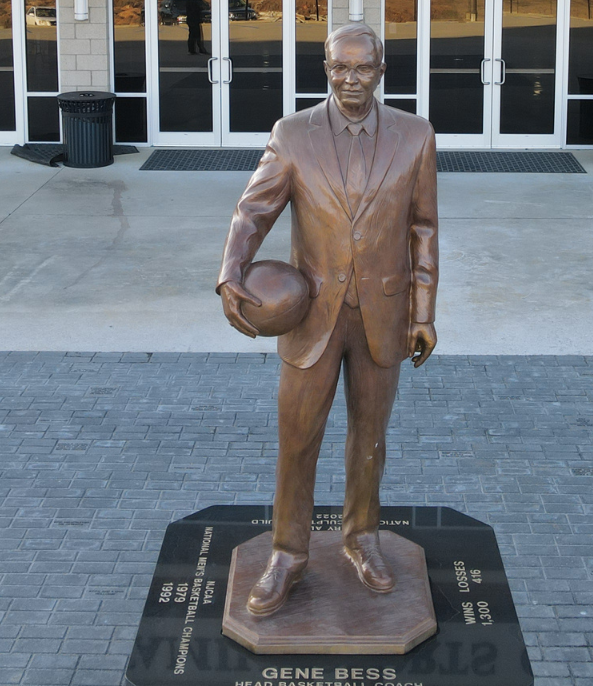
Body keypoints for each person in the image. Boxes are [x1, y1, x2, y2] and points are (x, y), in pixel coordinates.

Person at [215, 22, 439, 617]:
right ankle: (287, 552)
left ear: (382, 70)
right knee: (298, 439)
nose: (351, 79)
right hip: (311, 314)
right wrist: (230, 271)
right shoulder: (293, 135)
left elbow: (423, 230)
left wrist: (423, 313)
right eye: (340, 67)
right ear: (326, 68)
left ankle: (361, 538)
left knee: (370, 438)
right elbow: (253, 210)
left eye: (363, 68)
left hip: (383, 315)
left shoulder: (415, 136)